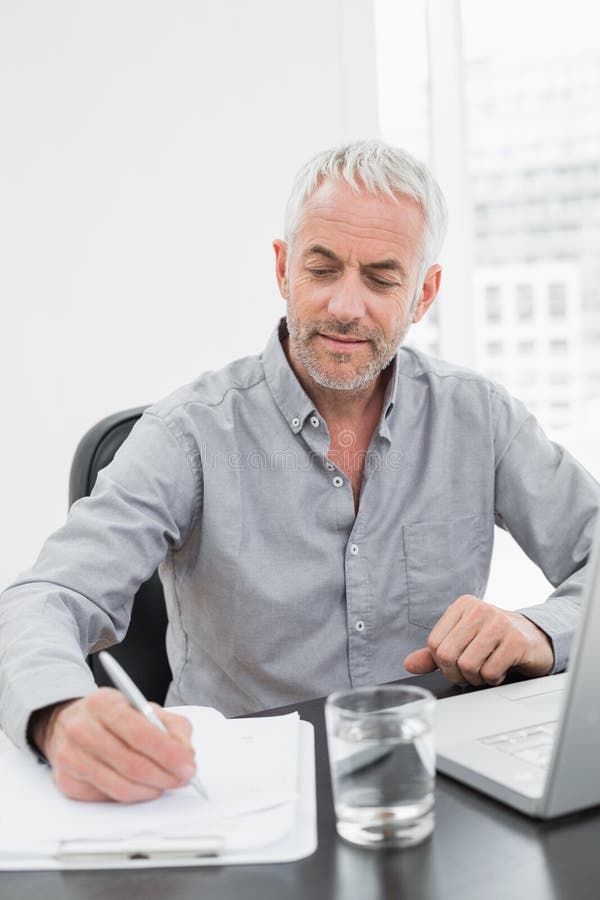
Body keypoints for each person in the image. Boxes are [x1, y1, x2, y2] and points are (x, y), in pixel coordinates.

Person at [0, 140, 598, 804]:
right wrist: (57, 715)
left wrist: (542, 630)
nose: (346, 305)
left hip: (426, 779)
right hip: (236, 791)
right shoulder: (188, 433)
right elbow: (42, 601)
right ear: (284, 269)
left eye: (380, 278)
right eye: (323, 269)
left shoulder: (479, 418)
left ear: (423, 293)